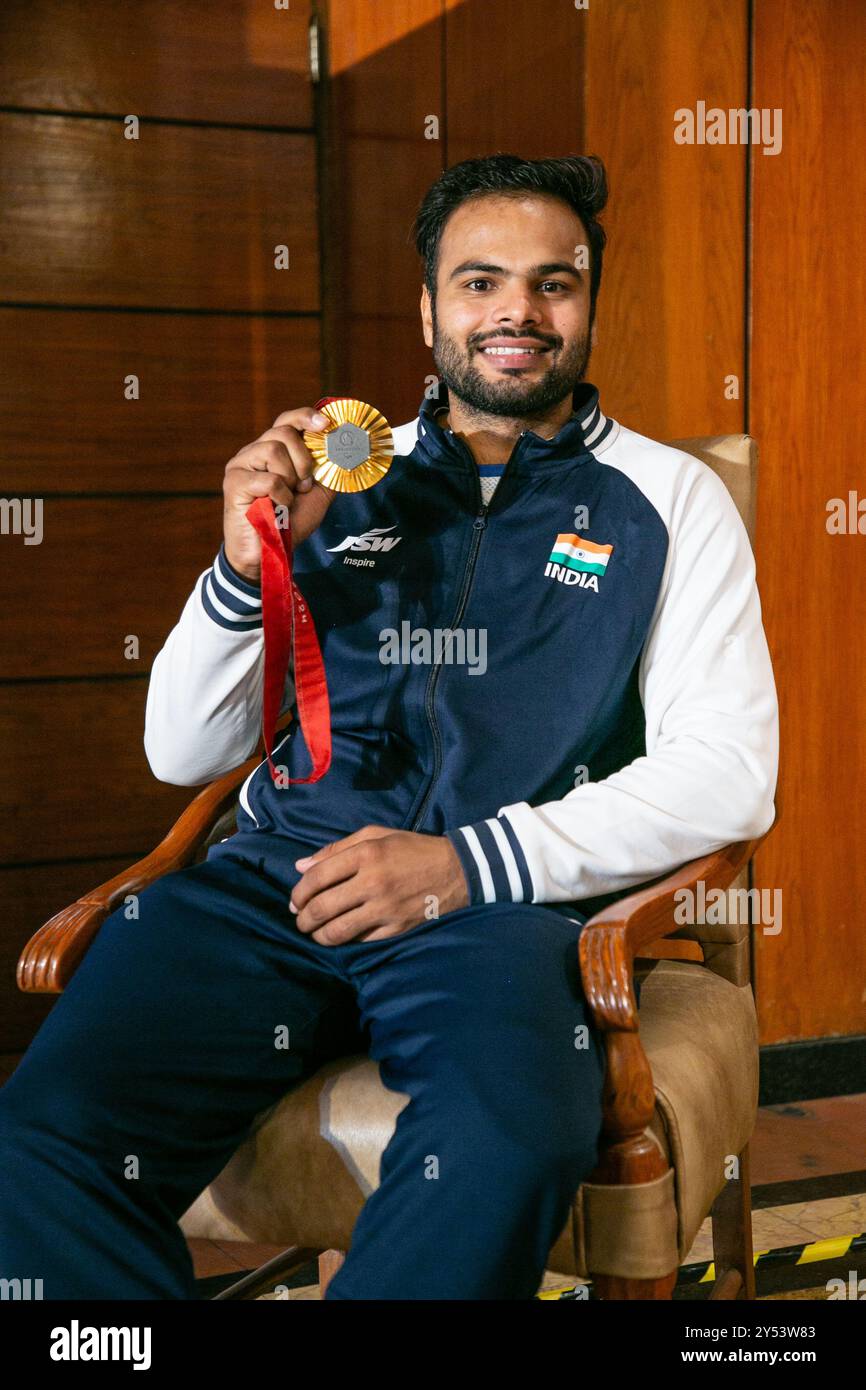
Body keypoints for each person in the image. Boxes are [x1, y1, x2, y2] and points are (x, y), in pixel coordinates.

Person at [0, 154, 778, 1300]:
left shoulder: (668, 500)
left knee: (502, 1142)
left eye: (550, 283)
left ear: (587, 303)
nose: (515, 310)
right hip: (268, 883)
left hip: (492, 910)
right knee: (39, 1141)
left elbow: (729, 775)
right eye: (478, 282)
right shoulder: (335, 479)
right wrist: (241, 560)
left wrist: (464, 864)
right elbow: (183, 748)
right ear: (427, 309)